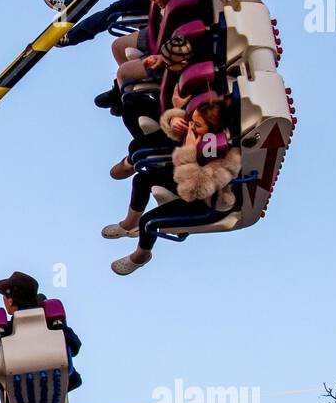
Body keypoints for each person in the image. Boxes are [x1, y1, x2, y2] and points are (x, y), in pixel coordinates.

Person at [103, 95, 244, 276]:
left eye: (197, 125)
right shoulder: (201, 132)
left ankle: (141, 255)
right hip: (186, 178)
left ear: (213, 131)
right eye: (192, 121)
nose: (191, 126)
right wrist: (174, 121)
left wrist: (189, 152)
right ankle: (129, 223)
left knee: (149, 222)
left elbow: (192, 189)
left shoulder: (220, 153)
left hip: (206, 201)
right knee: (142, 179)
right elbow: (174, 126)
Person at [0, 271, 82, 390]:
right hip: (56, 386)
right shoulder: (51, 325)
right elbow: (75, 346)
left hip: (18, 390)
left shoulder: (3, 332)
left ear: (11, 301)